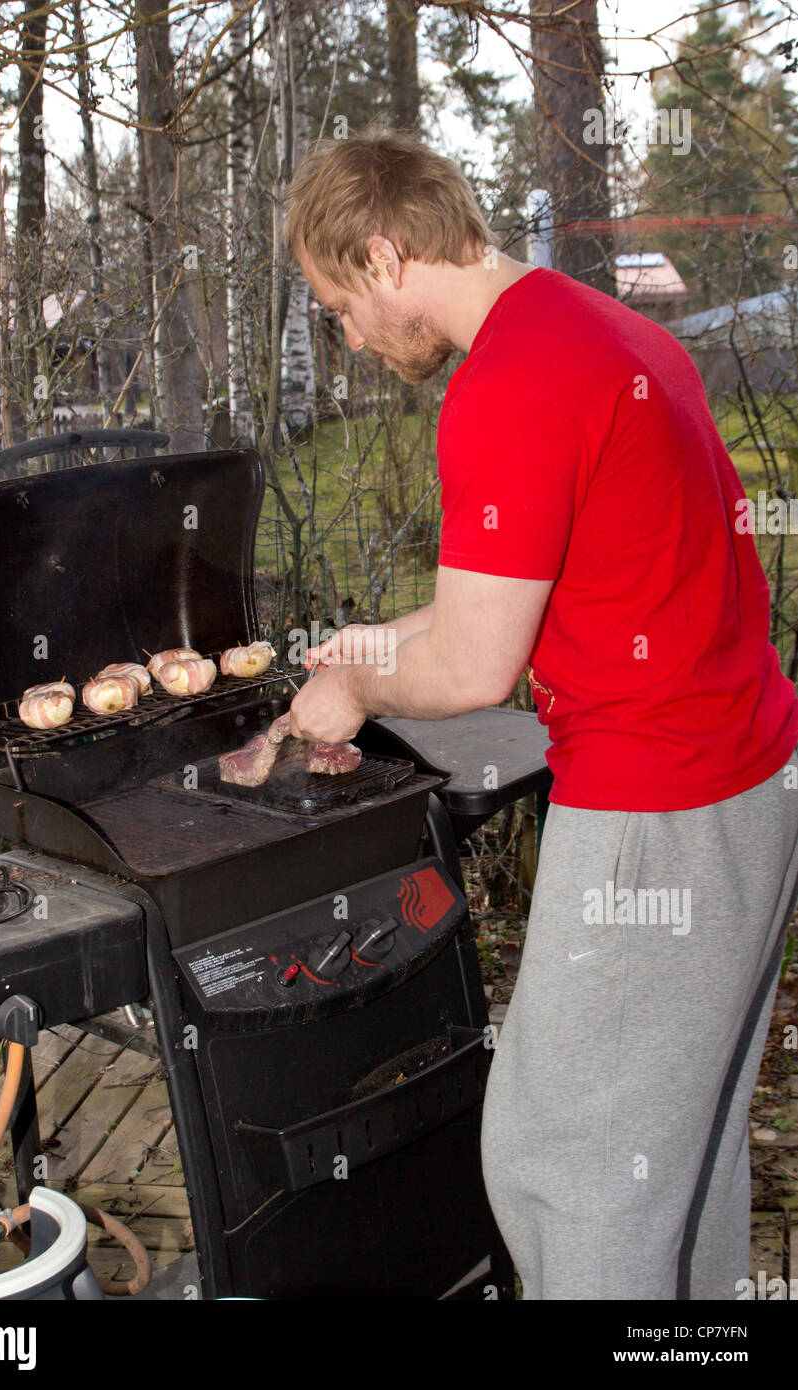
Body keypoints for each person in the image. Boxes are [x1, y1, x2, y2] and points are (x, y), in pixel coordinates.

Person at [282, 129, 798, 1301]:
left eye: (339, 306)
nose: (349, 338)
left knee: (562, 1168)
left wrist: (361, 688)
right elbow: (515, 592)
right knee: (683, 1151)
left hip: (653, 815)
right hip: (752, 785)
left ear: (381, 254)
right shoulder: (597, 330)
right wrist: (364, 645)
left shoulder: (504, 385)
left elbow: (473, 667)